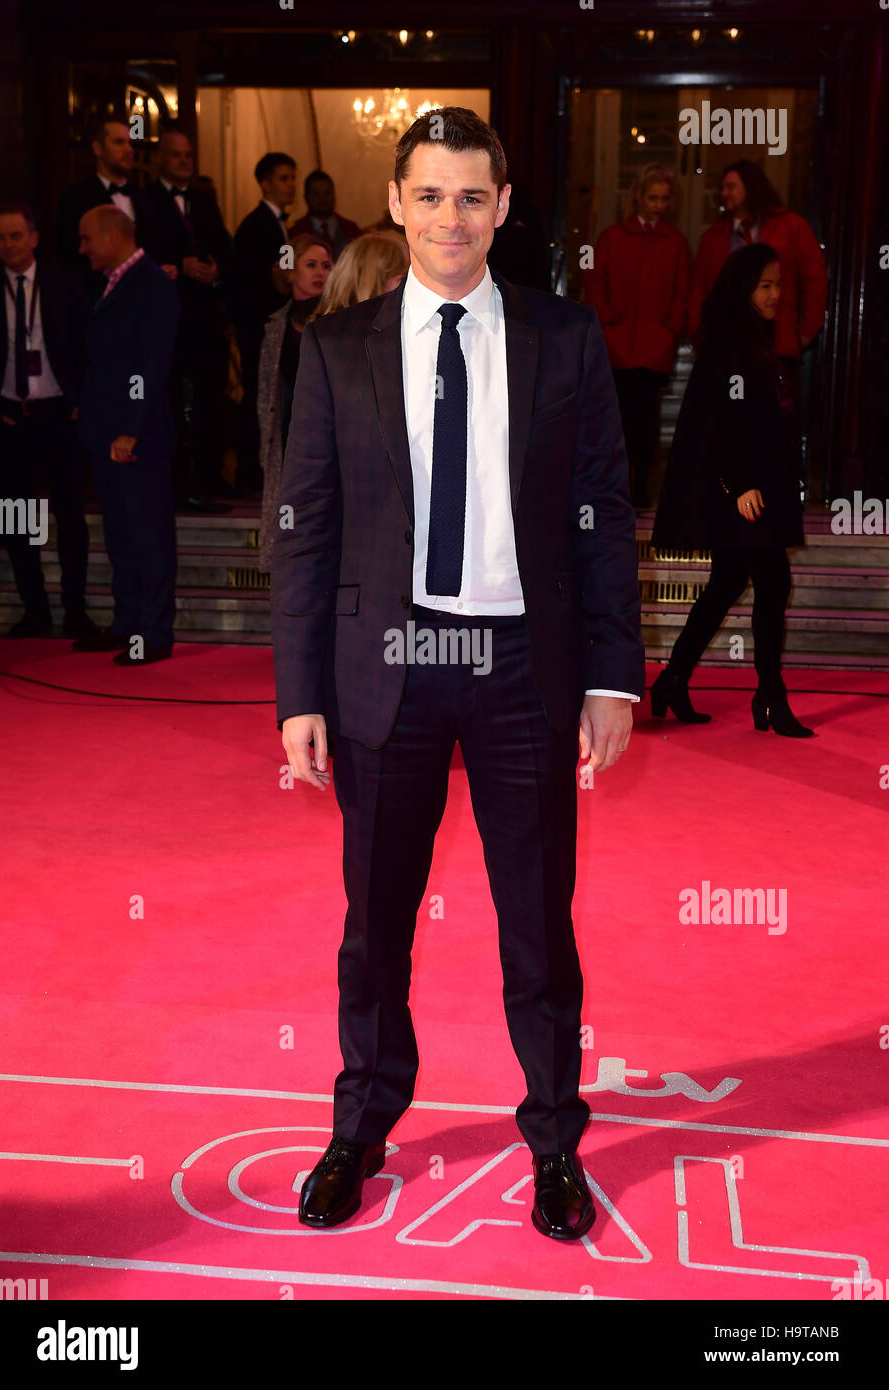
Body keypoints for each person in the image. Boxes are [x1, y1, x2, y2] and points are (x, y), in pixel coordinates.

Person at [271, 107, 644, 1241]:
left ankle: (552, 1141)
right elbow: (305, 528)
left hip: (520, 667)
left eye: (471, 196)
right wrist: (298, 692)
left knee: (537, 926)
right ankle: (361, 1123)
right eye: (429, 195)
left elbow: (599, 516)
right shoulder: (335, 348)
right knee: (373, 925)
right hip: (386, 666)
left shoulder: (563, 338)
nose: (449, 217)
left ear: (503, 209)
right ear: (395, 204)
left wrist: (613, 674)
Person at [651, 243, 813, 737]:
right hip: (745, 494)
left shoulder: (755, 337)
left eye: (778, 285)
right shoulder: (731, 343)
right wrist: (739, 484)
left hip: (763, 487)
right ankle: (770, 695)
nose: (776, 294)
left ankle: (673, 680)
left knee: (729, 584)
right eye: (766, 285)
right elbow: (721, 422)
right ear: (744, 289)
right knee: (772, 582)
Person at [74, 206, 180, 665]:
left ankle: (152, 635)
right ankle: (126, 626)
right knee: (120, 534)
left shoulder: (153, 285)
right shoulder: (114, 283)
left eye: (86, 239)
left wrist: (130, 432)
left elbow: (152, 366)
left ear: (111, 234)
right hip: (109, 435)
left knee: (147, 534)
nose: (81, 249)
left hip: (138, 438)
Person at [0, 201, 98, 639]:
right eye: (0, 238)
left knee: (70, 518)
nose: (8, 245)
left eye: (16, 236)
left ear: (33, 237)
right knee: (15, 519)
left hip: (59, 416)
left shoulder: (65, 284)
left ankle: (76, 612)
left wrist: (80, 400)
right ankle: (35, 611)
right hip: (10, 420)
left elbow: (88, 345)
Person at [136, 128, 234, 511]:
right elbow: (140, 253)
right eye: (175, 155)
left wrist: (216, 271)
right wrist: (178, 265)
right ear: (161, 158)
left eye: (188, 155)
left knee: (211, 396)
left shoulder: (204, 201)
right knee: (173, 401)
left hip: (205, 318)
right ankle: (176, 484)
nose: (183, 161)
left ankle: (210, 477)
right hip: (168, 319)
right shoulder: (144, 201)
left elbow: (225, 250)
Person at [585, 163, 691, 508]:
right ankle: (615, 486)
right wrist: (608, 320)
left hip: (652, 348)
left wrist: (669, 328)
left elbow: (682, 290)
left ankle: (640, 485)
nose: (658, 205)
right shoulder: (613, 238)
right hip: (617, 346)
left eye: (664, 199)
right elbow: (595, 282)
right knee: (615, 420)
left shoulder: (675, 242)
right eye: (652, 198)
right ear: (639, 198)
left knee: (645, 421)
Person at [688, 160, 827, 393]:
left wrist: (805, 331)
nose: (724, 194)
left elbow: (815, 279)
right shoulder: (713, 236)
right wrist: (698, 334)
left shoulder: (791, 227)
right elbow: (700, 289)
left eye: (731, 187)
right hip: (727, 348)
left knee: (775, 419)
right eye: (722, 188)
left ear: (750, 187)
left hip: (778, 345)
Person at [257, 234, 333, 574]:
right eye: (311, 264)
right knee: (286, 535)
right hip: (285, 438)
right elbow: (266, 391)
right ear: (290, 271)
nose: (320, 272)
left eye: (327, 265)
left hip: (325, 439)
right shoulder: (275, 325)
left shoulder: (338, 320)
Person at [231, 152, 298, 496]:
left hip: (270, 326)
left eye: (292, 178)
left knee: (269, 397)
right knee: (259, 397)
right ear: (266, 183)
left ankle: (259, 473)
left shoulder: (277, 223)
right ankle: (250, 475)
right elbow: (256, 281)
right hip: (259, 328)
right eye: (284, 178)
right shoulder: (256, 225)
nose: (291, 185)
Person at [56, 117, 138, 296]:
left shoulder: (144, 196)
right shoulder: (75, 198)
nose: (128, 150)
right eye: (119, 142)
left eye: (130, 143)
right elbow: (69, 257)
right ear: (98, 148)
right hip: (95, 298)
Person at [288, 170, 362, 261]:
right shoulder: (295, 233)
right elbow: (288, 269)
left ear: (334, 195)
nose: (322, 198)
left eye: (327, 193)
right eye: (316, 194)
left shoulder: (352, 230)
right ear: (306, 197)